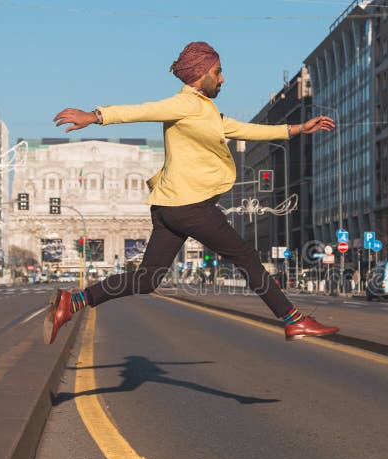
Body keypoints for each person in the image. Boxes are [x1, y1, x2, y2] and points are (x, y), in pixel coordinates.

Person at [44, 42, 340, 344]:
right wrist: (95, 116)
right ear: (201, 74)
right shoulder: (185, 104)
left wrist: (297, 128)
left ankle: (74, 301)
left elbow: (242, 129)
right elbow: (143, 111)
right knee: (246, 256)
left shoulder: (205, 111)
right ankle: (293, 320)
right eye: (218, 72)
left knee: (147, 279)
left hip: (168, 207)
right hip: (189, 206)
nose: (223, 79)